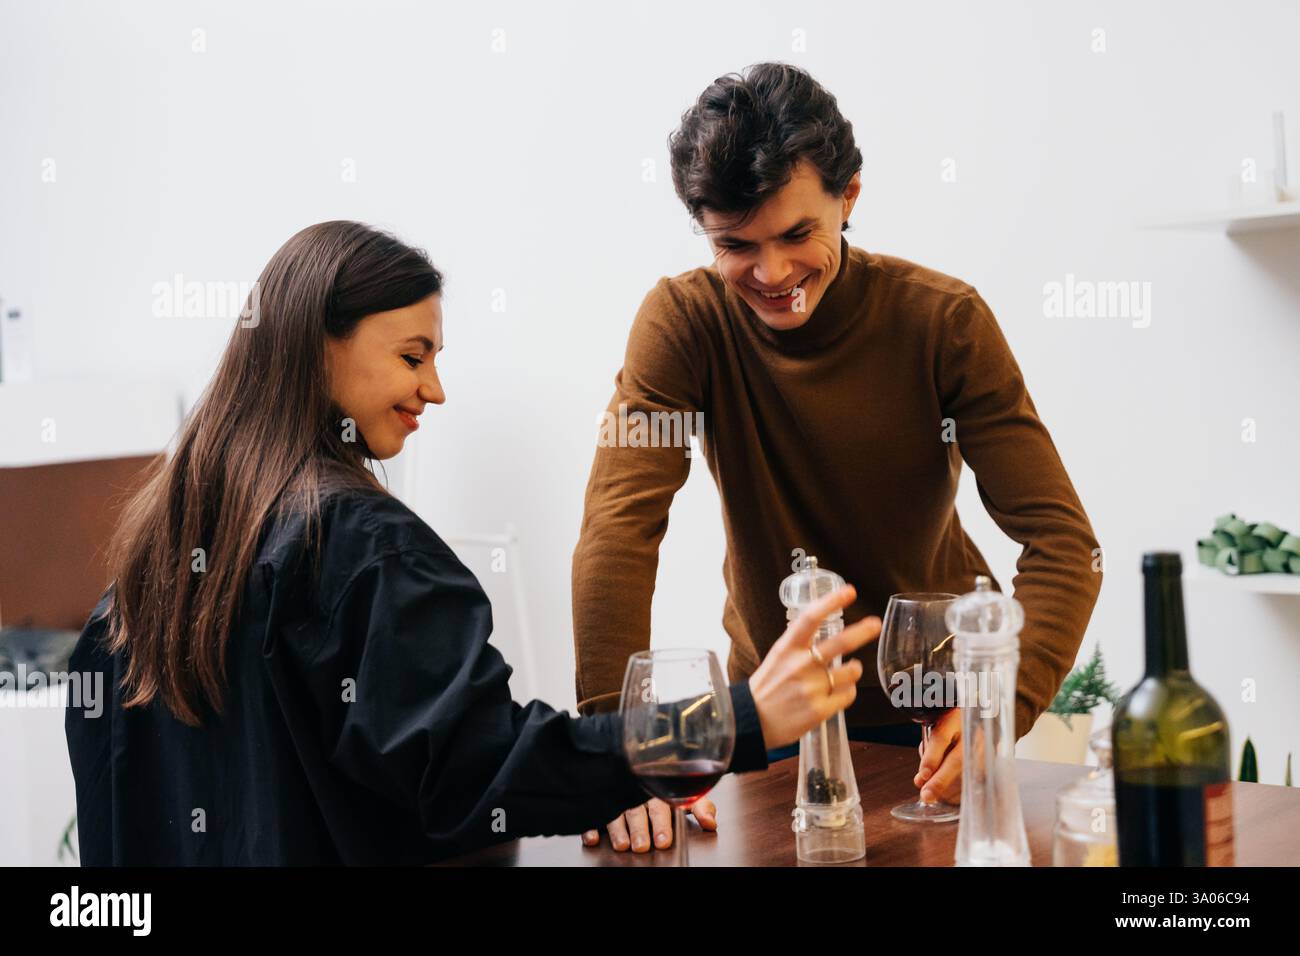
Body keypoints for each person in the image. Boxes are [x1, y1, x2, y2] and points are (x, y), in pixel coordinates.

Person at [64, 220, 880, 865]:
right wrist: (737, 720)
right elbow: (493, 770)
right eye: (412, 356)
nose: (435, 389)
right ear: (318, 344)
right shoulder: (361, 548)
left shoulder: (145, 580)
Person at [572, 62, 1103, 852]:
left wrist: (1001, 705)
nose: (773, 273)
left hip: (940, 717)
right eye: (735, 246)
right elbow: (621, 527)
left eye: (796, 235)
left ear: (849, 196)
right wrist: (616, 757)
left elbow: (1066, 544)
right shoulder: (683, 323)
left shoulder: (944, 322)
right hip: (776, 713)